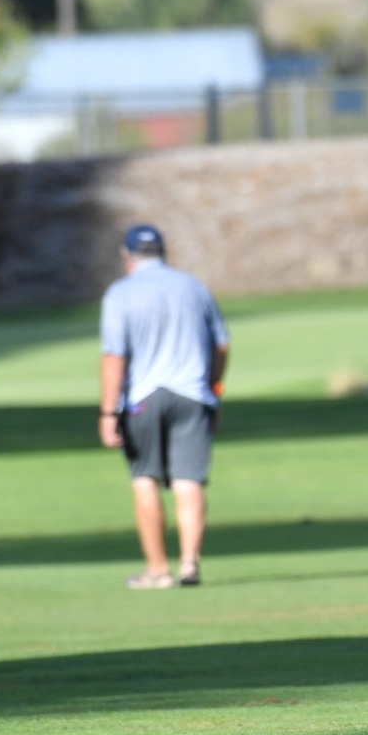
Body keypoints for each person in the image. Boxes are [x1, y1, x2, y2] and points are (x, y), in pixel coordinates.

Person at [98, 224, 230, 589]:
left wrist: (109, 412)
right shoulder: (193, 286)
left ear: (127, 258)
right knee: (189, 480)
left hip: (142, 397)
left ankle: (158, 570)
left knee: (145, 479)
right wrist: (214, 389)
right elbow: (221, 345)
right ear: (163, 253)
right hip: (193, 393)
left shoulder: (120, 294)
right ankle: (190, 564)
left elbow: (114, 357)